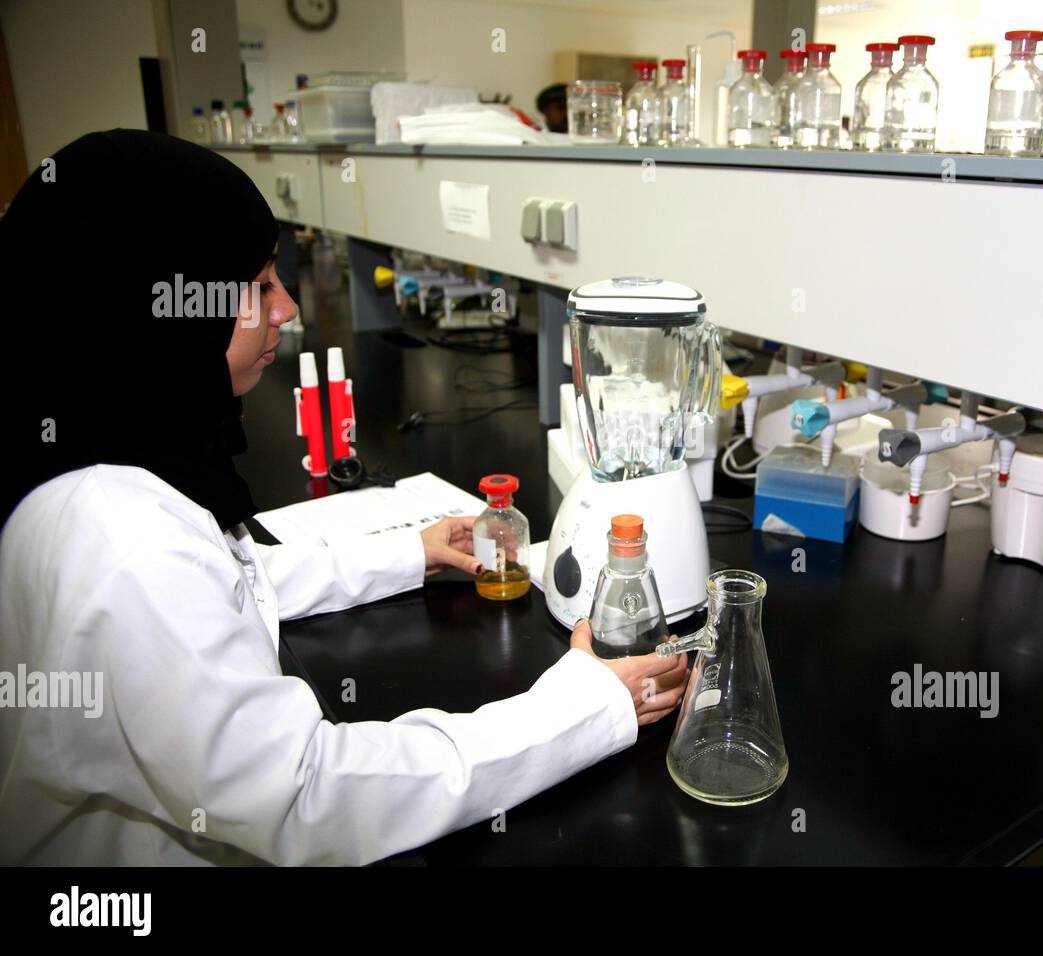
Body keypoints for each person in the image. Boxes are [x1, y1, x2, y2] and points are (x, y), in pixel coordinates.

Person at [0, 130, 687, 865]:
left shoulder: (91, 450)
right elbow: (309, 796)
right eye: (259, 285)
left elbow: (227, 590)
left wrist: (411, 552)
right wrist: (585, 706)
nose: (289, 306)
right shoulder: (123, 538)